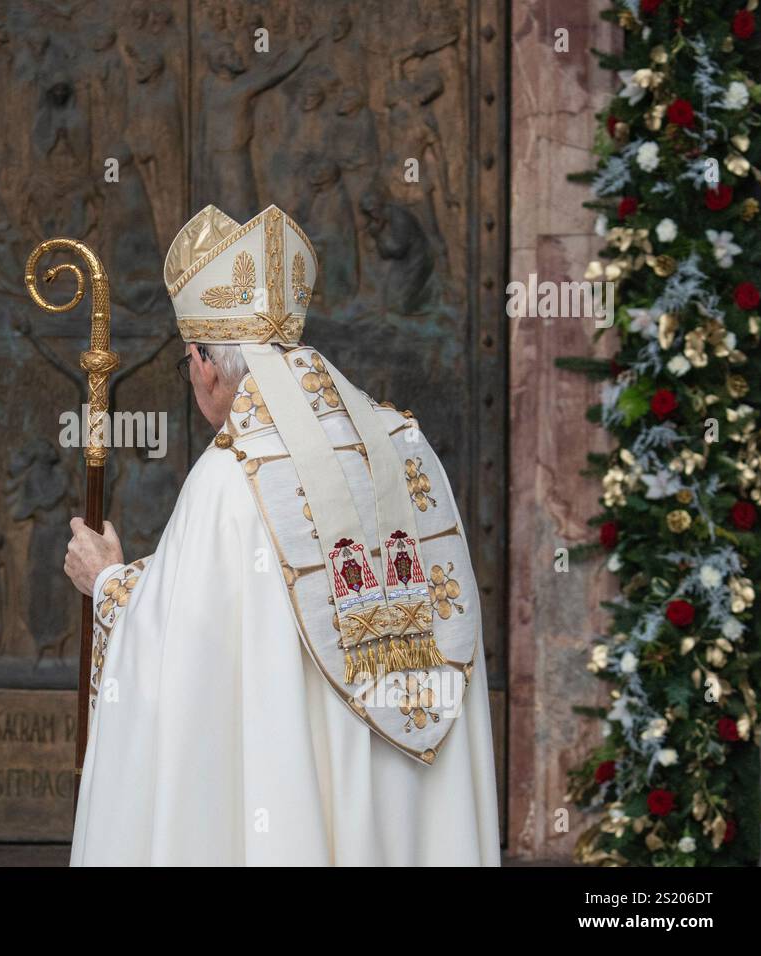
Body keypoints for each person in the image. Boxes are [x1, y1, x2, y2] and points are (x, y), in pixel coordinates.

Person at [64, 204, 500, 865]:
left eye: (189, 362)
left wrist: (109, 585)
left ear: (206, 366)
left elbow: (183, 657)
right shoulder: (405, 443)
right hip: (404, 798)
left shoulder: (228, 478)